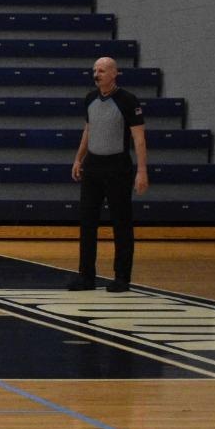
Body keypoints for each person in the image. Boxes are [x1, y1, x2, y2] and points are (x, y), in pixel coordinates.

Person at [69, 55, 148, 293]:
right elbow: (88, 129)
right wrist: (78, 158)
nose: (96, 74)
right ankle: (86, 276)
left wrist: (142, 171)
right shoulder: (90, 99)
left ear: (114, 73)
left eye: (102, 70)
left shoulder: (127, 100)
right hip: (93, 166)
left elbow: (139, 138)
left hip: (118, 168)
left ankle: (122, 277)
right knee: (87, 222)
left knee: (121, 223)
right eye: (95, 70)